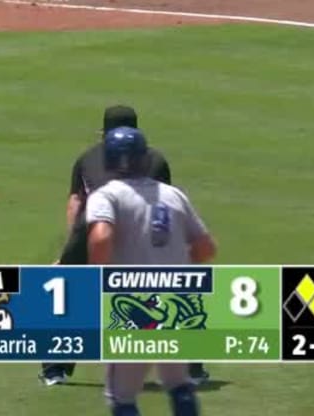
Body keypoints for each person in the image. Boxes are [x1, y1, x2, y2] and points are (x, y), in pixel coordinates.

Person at [40, 105, 207, 388]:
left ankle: (55, 369)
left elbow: (75, 204)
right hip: (142, 234)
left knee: (72, 296)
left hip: (92, 232)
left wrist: (71, 252)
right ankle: (191, 369)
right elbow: (162, 205)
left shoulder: (87, 158)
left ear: (103, 132)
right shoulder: (155, 159)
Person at [86, 125, 217, 416]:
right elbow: (206, 247)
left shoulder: (107, 196)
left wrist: (98, 278)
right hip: (177, 306)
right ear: (143, 158)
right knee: (179, 383)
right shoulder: (173, 195)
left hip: (134, 308)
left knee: (122, 396)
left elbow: (101, 237)